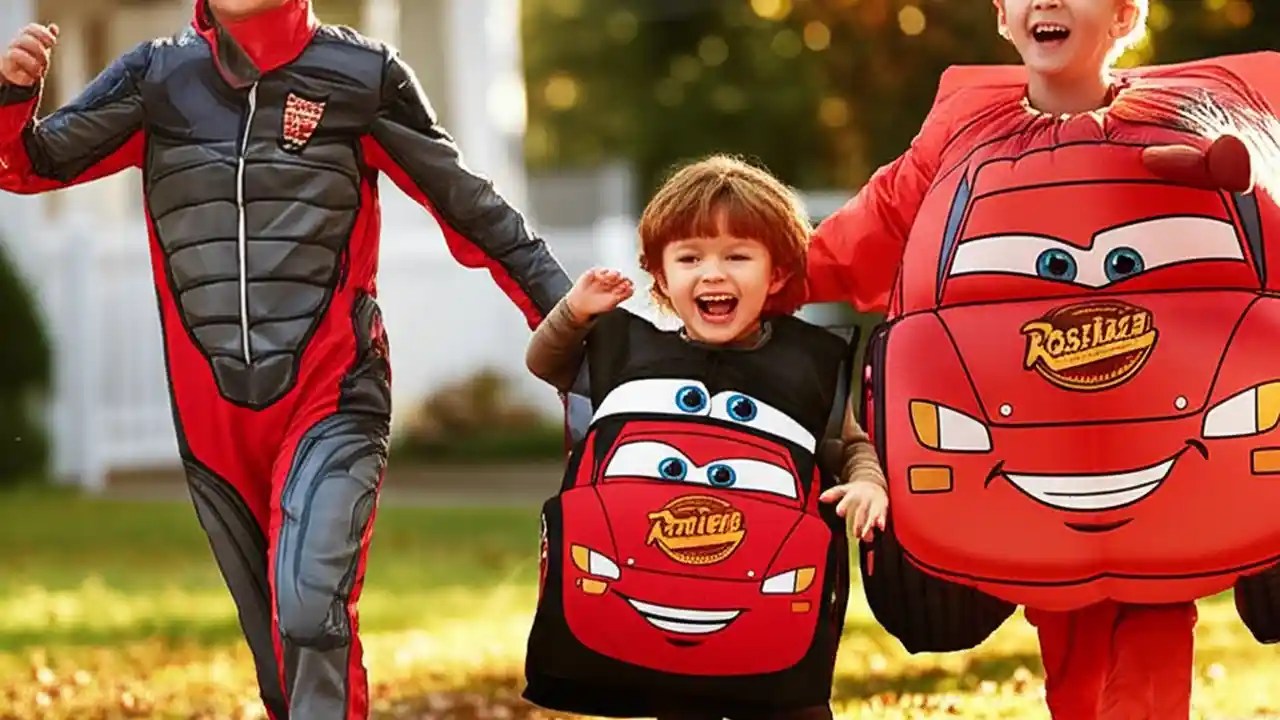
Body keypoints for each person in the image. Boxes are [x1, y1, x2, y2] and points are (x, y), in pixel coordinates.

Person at [0, 2, 570, 718]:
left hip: (334, 392)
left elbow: (474, 209)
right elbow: (26, 165)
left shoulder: (363, 76)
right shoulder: (155, 78)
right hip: (212, 422)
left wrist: (573, 320)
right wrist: (13, 96)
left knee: (309, 611)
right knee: (278, 654)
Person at [805, 1, 1215, 718]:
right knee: (1070, 622)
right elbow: (870, 229)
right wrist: (758, 279)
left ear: (1124, 17)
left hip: (1154, 429)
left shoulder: (1180, 131)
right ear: (1002, 18)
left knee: (1154, 607)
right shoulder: (963, 134)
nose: (1046, 1)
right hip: (1032, 434)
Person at [521, 155, 887, 719]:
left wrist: (869, 486)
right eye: (690, 258)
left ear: (778, 274)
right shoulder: (630, 356)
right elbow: (546, 362)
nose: (712, 273)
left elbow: (851, 444)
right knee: (675, 695)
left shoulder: (806, 367)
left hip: (766, 607)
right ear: (663, 277)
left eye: (737, 257)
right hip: (662, 588)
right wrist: (573, 313)